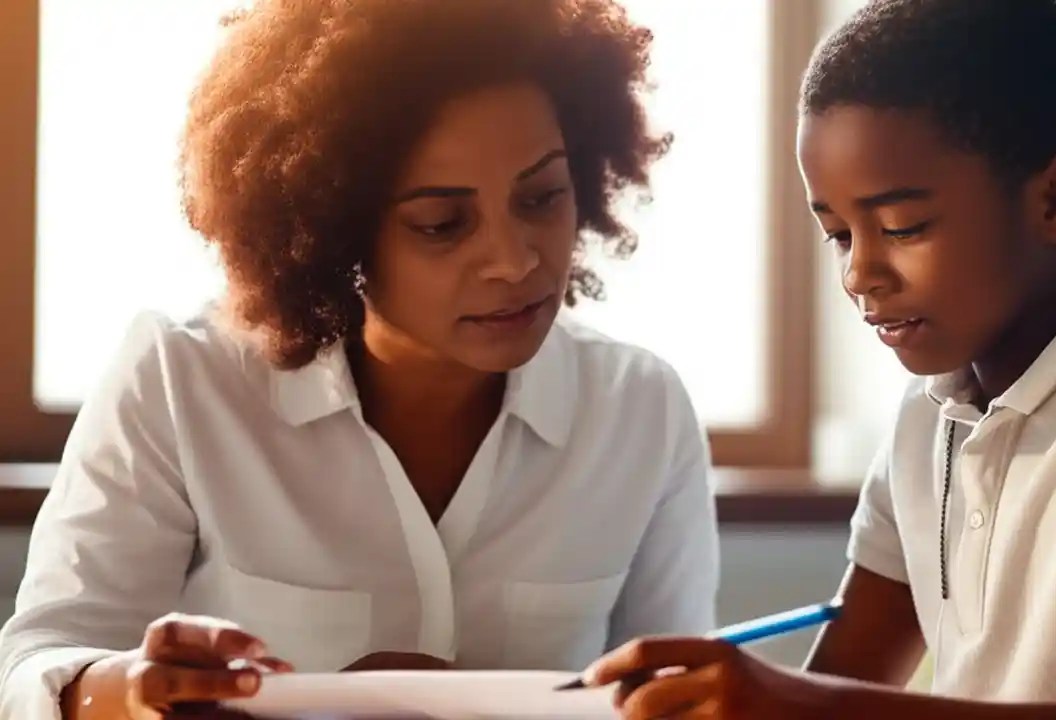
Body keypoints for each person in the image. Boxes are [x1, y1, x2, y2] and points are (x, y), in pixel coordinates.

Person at [0, 1, 719, 717]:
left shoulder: (640, 411)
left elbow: (680, 695)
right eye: (441, 224)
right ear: (332, 229)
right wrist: (131, 693)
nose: (515, 258)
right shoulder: (181, 383)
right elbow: (40, 666)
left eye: (542, 197)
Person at [584, 1, 1056, 718]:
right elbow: (848, 677)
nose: (859, 275)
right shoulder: (927, 422)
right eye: (839, 235)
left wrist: (795, 702)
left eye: (901, 227)